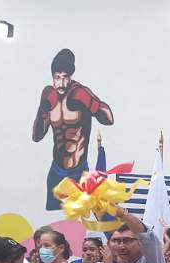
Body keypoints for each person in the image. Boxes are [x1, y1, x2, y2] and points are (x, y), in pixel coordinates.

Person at [32, 48, 114, 211]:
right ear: (52, 77)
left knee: (80, 222)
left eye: (65, 78)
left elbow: (109, 119)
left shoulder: (80, 92)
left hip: (78, 172)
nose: (61, 83)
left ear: (71, 76)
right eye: (57, 78)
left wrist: (91, 104)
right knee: (53, 221)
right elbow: (37, 136)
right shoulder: (50, 96)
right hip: (56, 172)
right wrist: (42, 111)